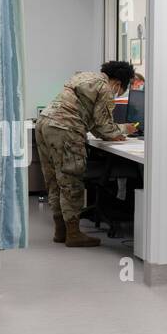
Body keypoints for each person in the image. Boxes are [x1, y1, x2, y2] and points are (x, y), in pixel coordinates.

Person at [34, 61, 136, 248]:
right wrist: (122, 130)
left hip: (44, 123)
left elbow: (95, 123)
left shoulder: (84, 77)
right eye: (121, 90)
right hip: (65, 128)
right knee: (71, 179)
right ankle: (73, 234)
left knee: (54, 180)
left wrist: (109, 131)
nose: (117, 93)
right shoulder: (105, 88)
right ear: (118, 83)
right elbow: (103, 126)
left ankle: (60, 230)